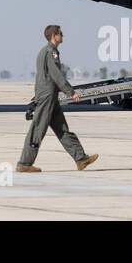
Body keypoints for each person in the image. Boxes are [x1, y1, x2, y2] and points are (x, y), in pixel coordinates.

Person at [15, 25, 98, 173]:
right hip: (47, 96)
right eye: (61, 33)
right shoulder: (50, 52)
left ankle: (80, 159)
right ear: (54, 35)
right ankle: (24, 163)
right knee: (38, 128)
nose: (62, 36)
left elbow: (42, 76)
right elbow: (56, 74)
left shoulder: (44, 51)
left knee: (62, 129)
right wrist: (70, 91)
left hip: (48, 95)